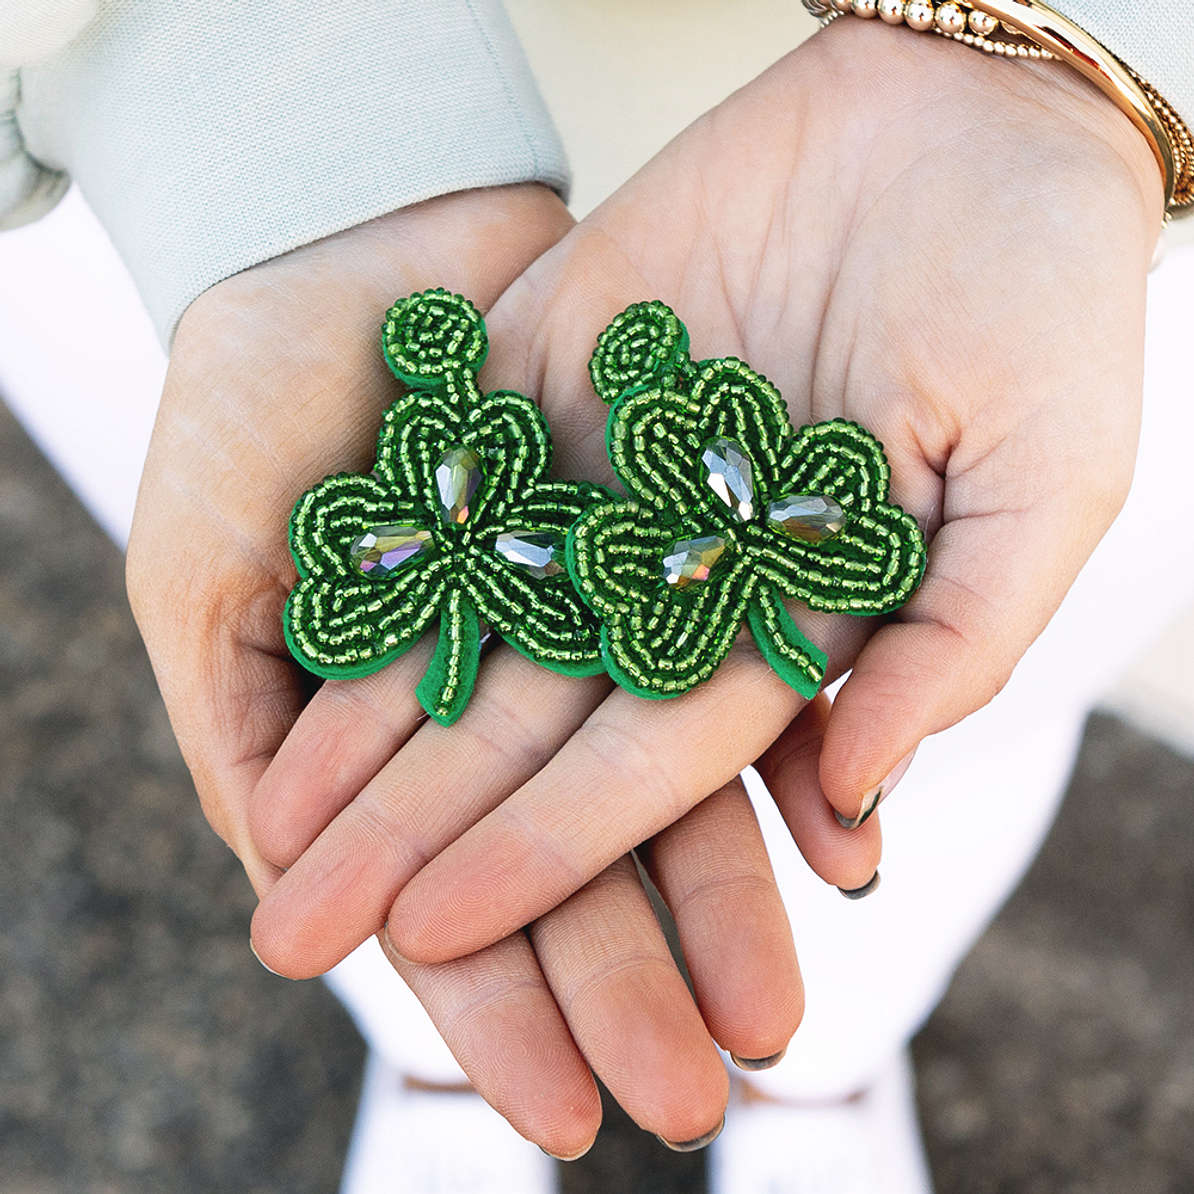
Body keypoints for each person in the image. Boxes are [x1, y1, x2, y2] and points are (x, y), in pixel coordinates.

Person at [4, 2, 1192, 1191]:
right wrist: (278, 108)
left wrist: (1067, 65)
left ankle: (834, 1057)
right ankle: (434, 1056)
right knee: (372, 775)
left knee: (938, 730)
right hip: (172, 143)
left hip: (1004, 229)